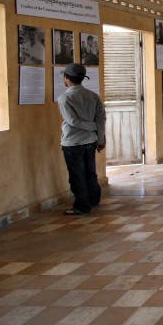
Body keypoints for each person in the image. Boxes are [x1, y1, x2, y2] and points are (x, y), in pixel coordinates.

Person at [57, 63, 106, 215]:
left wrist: (93, 129)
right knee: (90, 173)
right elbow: (101, 119)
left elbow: (73, 122)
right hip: (90, 141)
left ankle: (82, 206)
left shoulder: (65, 98)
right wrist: (100, 138)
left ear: (66, 78)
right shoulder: (93, 96)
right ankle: (93, 199)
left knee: (77, 175)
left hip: (73, 142)